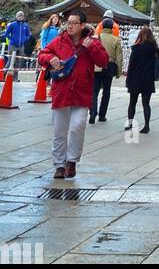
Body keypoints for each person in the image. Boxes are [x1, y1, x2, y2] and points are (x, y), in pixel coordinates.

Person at [37, 9, 109, 179]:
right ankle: (59, 165)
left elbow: (103, 61)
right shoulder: (59, 41)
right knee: (59, 131)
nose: (69, 26)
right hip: (61, 91)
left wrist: (91, 48)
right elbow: (42, 54)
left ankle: (72, 161)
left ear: (82, 25)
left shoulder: (92, 42)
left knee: (77, 127)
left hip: (82, 93)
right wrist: (50, 59)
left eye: (74, 23)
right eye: (68, 22)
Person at [125, 26, 159, 134]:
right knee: (146, 104)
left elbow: (131, 65)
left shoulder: (136, 49)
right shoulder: (154, 49)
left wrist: (128, 79)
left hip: (136, 78)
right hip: (148, 79)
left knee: (132, 102)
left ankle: (130, 123)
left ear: (140, 36)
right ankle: (147, 125)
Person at [90, 13, 123, 123]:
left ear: (102, 26)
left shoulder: (97, 38)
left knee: (94, 91)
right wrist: (118, 72)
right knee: (106, 92)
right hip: (109, 67)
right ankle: (102, 115)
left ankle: (93, 111)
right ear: (112, 27)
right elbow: (119, 57)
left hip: (97, 67)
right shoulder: (116, 40)